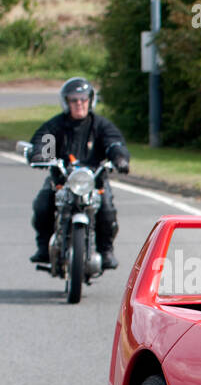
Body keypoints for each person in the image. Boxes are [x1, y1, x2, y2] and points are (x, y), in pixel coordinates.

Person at [28, 77, 130, 269]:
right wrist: (41, 155)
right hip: (62, 179)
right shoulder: (56, 125)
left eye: (83, 99)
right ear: (66, 102)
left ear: (90, 101)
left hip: (94, 180)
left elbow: (114, 143)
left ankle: (106, 251)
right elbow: (43, 141)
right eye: (74, 100)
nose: (79, 104)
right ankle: (43, 248)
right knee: (42, 205)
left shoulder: (101, 126)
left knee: (107, 211)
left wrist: (120, 159)